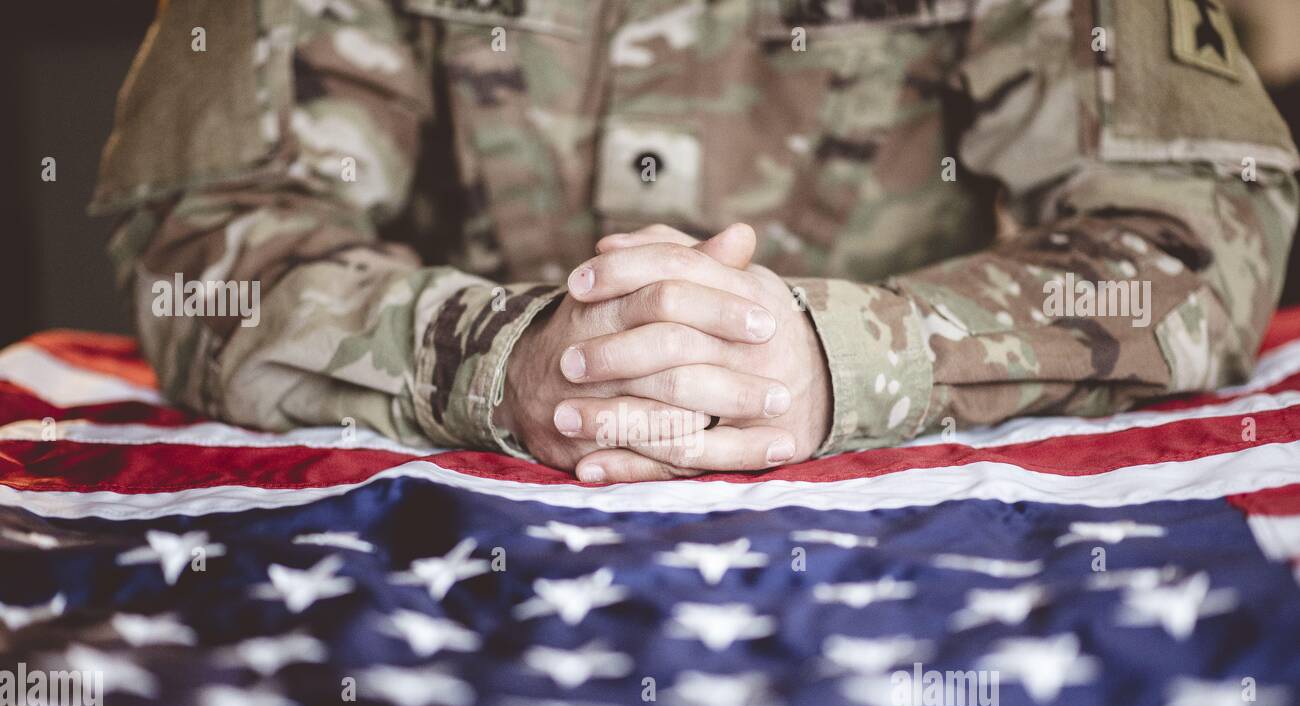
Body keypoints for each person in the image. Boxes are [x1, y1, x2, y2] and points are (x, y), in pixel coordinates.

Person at [91, 0, 1299, 483]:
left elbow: (1207, 219)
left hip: (899, 538)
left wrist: (847, 357)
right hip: (438, 518)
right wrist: (497, 357)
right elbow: (201, 244)